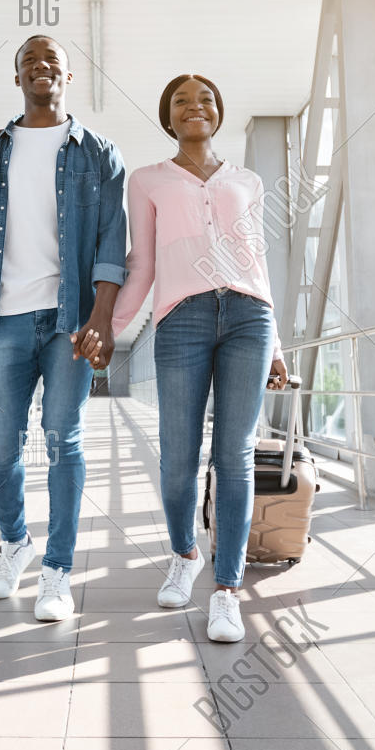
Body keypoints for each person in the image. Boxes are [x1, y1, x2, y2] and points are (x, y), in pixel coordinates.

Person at [0, 35, 126, 622]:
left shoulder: (98, 152)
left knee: (63, 441)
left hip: (70, 321)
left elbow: (110, 242)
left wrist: (101, 316)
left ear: (69, 76)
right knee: (0, 446)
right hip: (4, 317)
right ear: (16, 78)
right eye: (29, 62)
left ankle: (57, 571)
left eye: (53, 62)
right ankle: (14, 543)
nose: (41, 68)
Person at [111, 74, 287, 643]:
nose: (196, 107)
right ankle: (185, 554)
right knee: (178, 455)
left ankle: (227, 590)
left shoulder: (249, 181)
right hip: (181, 317)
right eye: (182, 101)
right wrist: (108, 333)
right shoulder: (146, 180)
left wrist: (277, 345)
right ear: (169, 117)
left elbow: (257, 261)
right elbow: (141, 263)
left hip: (248, 316)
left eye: (206, 99)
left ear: (219, 112)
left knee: (233, 455)